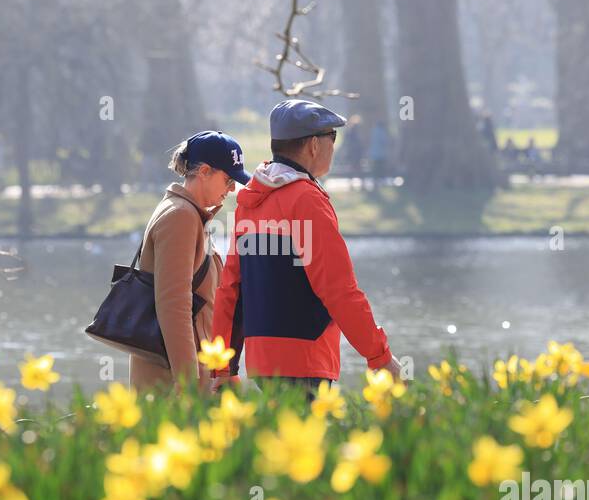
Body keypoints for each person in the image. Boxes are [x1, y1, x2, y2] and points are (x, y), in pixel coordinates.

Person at [210, 99, 402, 396]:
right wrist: (379, 356)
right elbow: (338, 288)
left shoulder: (249, 203)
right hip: (306, 360)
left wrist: (222, 367)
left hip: (263, 363)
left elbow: (231, 291)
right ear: (314, 145)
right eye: (332, 138)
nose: (333, 147)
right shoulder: (306, 200)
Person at [129, 130, 249, 391]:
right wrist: (188, 384)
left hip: (187, 374)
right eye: (228, 179)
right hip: (174, 383)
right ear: (204, 171)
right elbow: (174, 304)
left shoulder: (189, 214)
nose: (232, 189)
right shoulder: (181, 217)